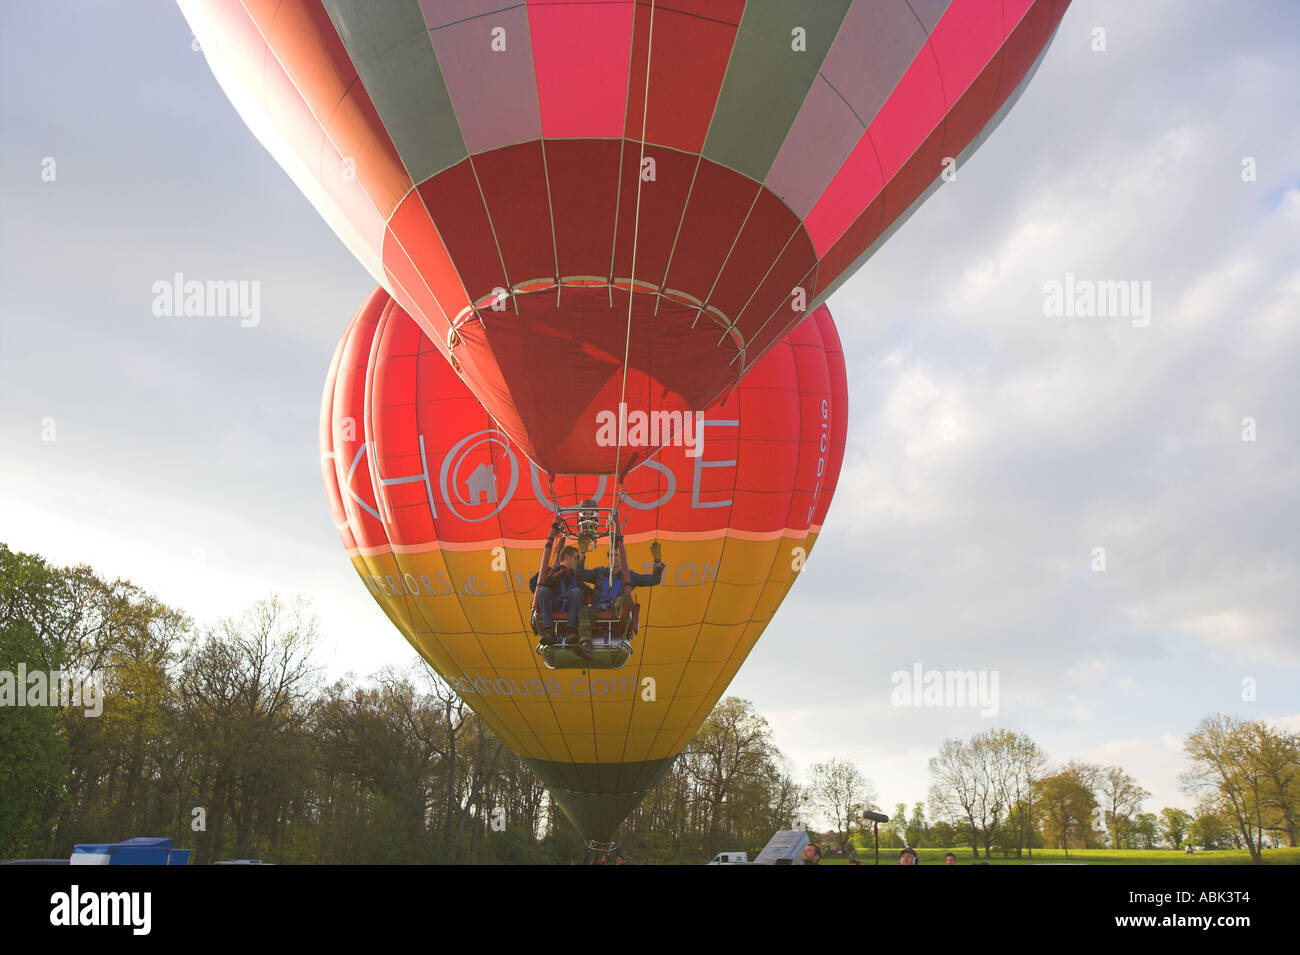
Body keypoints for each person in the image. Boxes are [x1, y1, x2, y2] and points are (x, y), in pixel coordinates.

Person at [572, 516, 664, 656]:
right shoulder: (599, 573)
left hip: (617, 611)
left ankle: (621, 628)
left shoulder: (629, 576)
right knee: (584, 611)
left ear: (622, 559)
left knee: (624, 600)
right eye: (611, 555)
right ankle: (585, 644)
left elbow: (654, 579)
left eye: (616, 556)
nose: (613, 559)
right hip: (598, 609)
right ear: (608, 557)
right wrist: (582, 554)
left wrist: (657, 562)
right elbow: (579, 574)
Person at [529, 540, 583, 645]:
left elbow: (586, 591)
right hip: (553, 605)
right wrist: (553, 578)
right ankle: (549, 630)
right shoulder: (548, 571)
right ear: (567, 557)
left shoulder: (576, 576)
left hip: (570, 607)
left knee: (576, 591)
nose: (577, 562)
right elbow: (533, 586)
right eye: (576, 558)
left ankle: (570, 630)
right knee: (543, 591)